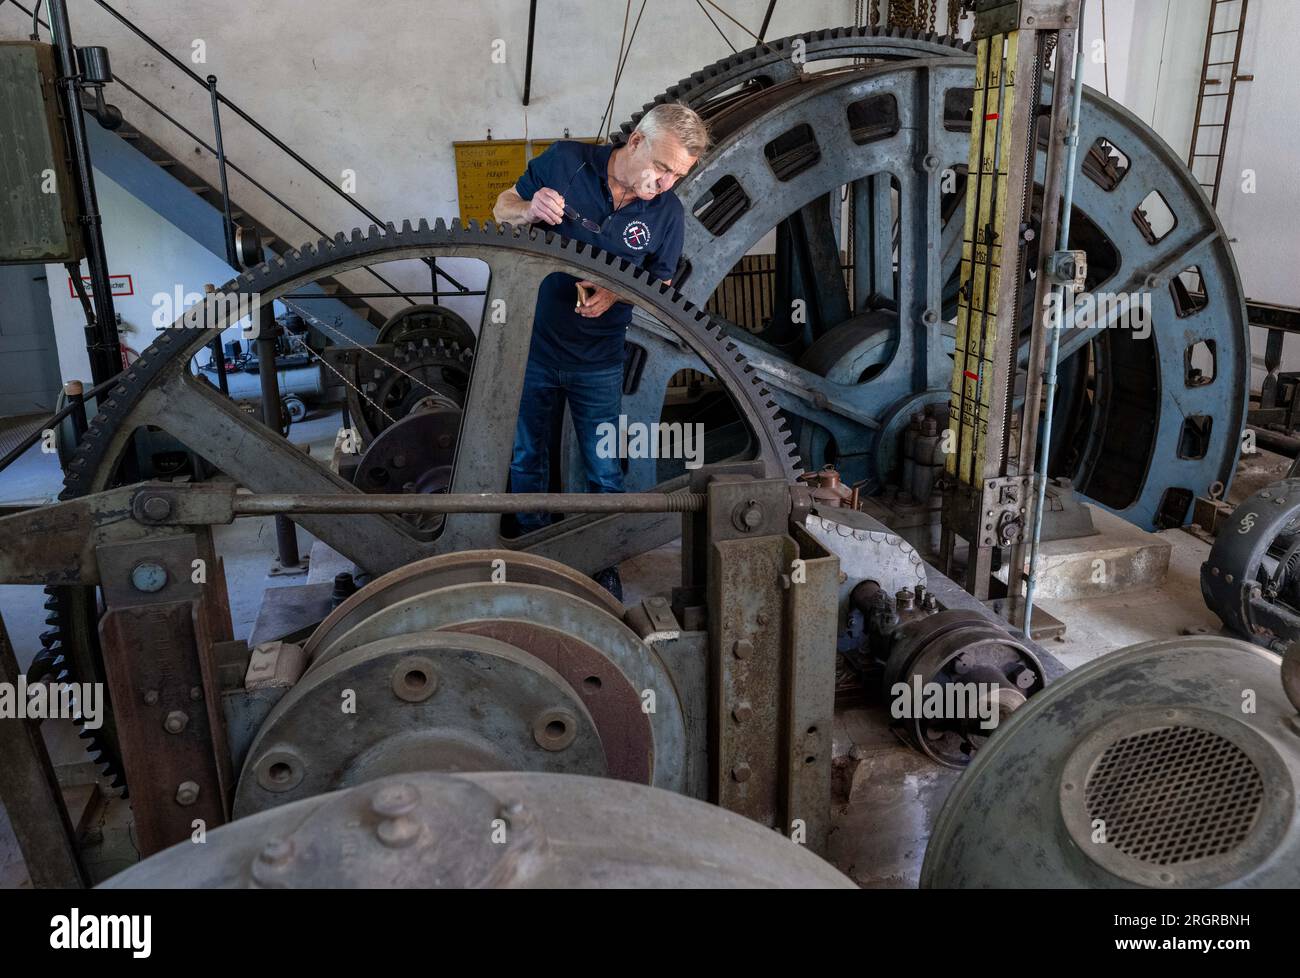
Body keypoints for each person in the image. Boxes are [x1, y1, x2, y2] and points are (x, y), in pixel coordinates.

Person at [492, 103, 709, 600]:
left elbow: (661, 282)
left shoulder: (666, 212)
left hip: (599, 362)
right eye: (660, 167)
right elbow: (498, 209)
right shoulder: (566, 162)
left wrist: (616, 293)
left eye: (676, 175)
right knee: (527, 459)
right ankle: (536, 554)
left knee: (604, 468)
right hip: (533, 349)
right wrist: (527, 211)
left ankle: (600, 561)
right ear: (635, 141)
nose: (663, 183)